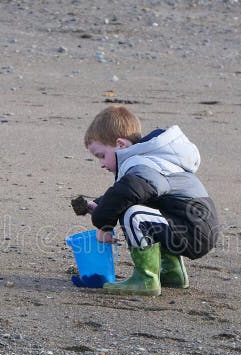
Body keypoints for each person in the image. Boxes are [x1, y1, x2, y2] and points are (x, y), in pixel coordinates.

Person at [81, 105, 219, 296]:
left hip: (194, 229)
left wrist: (103, 223)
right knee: (141, 208)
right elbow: (132, 190)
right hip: (191, 225)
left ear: (121, 144)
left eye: (102, 155)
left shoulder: (141, 164)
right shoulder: (149, 161)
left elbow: (129, 191)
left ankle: (145, 279)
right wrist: (100, 204)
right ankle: (172, 273)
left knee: (134, 214)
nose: (101, 163)